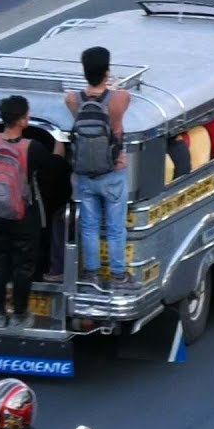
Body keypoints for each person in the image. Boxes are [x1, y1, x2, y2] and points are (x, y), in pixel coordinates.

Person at [0, 96, 68, 327]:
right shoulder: (33, 148)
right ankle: (18, 314)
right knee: (23, 265)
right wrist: (60, 139)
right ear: (24, 121)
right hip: (25, 215)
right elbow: (57, 165)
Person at [64, 46, 134, 288]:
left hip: (84, 173)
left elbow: (74, 106)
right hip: (113, 171)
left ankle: (91, 273)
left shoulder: (73, 99)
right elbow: (123, 101)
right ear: (106, 71)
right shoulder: (120, 99)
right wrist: (112, 87)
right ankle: (118, 275)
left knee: (89, 226)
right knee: (116, 227)